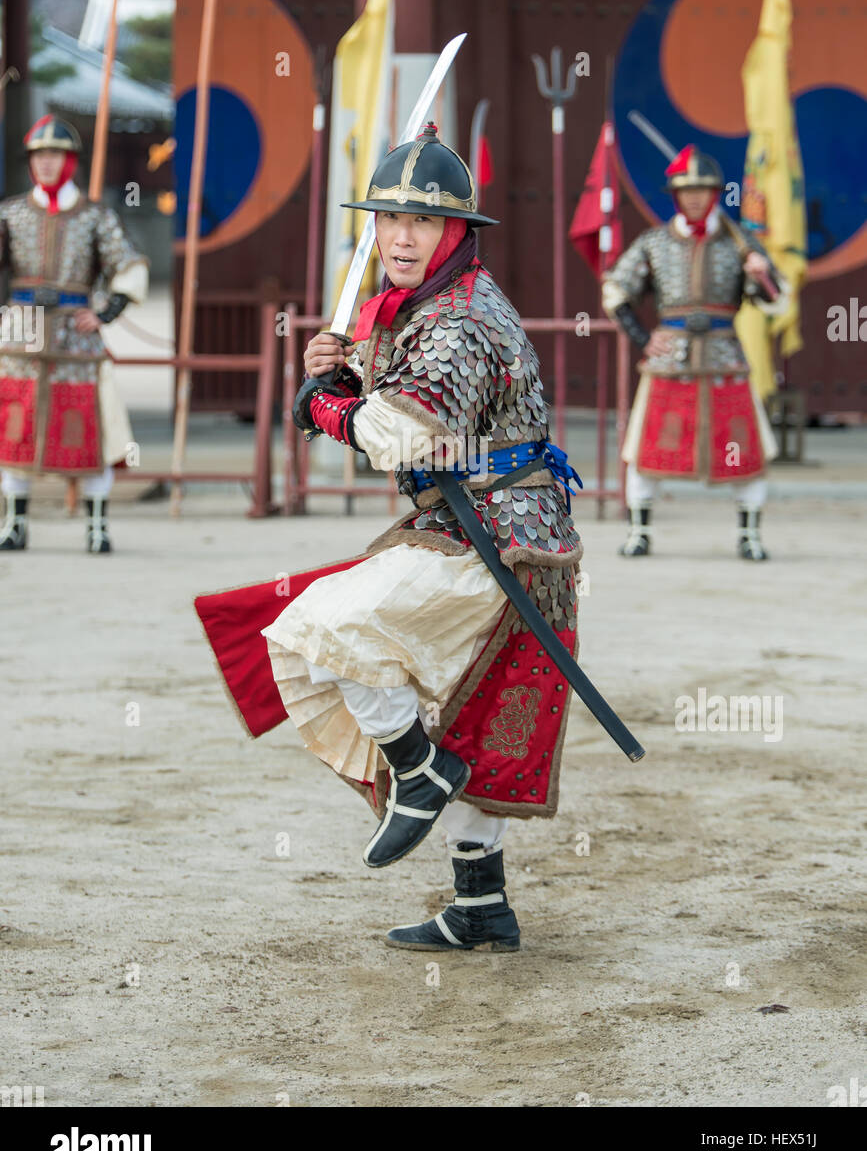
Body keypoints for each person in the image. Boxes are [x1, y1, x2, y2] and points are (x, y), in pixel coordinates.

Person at [196, 123, 584, 952]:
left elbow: (400, 434)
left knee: (318, 627)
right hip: (471, 526)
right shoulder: (428, 308)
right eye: (388, 220)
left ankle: (418, 769)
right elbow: (392, 393)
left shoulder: (461, 320)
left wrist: (328, 404)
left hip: (501, 540)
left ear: (456, 235)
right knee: (460, 706)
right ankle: (480, 905)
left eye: (422, 222)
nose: (401, 237)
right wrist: (340, 370)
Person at [601, 145, 785, 560]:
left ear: (715, 193)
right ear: (676, 196)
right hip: (670, 360)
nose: (695, 198)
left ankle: (750, 535)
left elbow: (776, 303)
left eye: (703, 190)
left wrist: (763, 275)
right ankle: (639, 532)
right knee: (647, 447)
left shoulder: (741, 243)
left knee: (745, 447)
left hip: (724, 356)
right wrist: (642, 337)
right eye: (687, 191)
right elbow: (615, 291)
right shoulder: (654, 242)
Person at [0, 115, 149, 552]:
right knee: (13, 427)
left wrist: (107, 312)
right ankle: (14, 523)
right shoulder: (9, 212)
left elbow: (129, 264)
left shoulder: (96, 215)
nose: (46, 164)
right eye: (39, 156)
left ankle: (97, 526)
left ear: (70, 162)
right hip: (20, 335)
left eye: (55, 156)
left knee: (88, 428)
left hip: (76, 340)